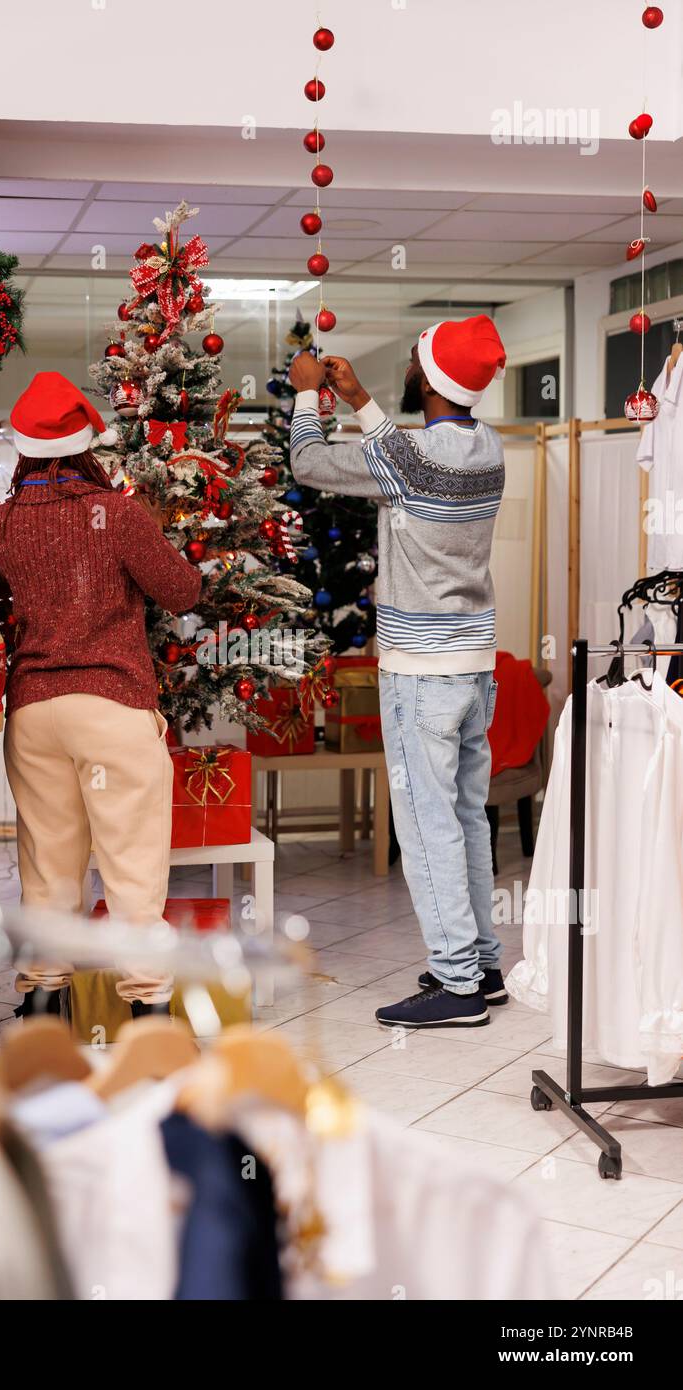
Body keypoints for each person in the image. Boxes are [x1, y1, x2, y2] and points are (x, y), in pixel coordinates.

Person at [288, 316, 508, 1030]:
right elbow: (405, 459)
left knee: (423, 823)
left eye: (416, 354)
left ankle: (457, 985)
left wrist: (305, 398)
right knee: (467, 816)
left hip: (421, 675)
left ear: (426, 379)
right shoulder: (488, 449)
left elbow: (310, 465)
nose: (410, 360)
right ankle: (483, 963)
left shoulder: (408, 459)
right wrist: (359, 402)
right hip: (475, 668)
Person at [0, 372, 201, 1014]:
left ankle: (45, 1003)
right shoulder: (120, 516)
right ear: (83, 445)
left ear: (23, 449)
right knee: (132, 867)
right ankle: (148, 1008)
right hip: (110, 703)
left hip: (33, 711)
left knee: (48, 867)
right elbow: (182, 591)